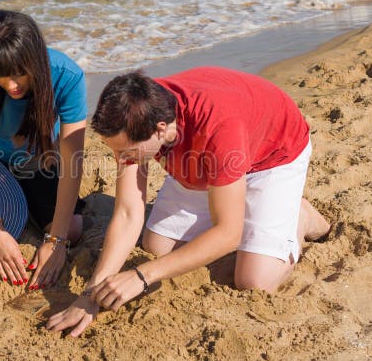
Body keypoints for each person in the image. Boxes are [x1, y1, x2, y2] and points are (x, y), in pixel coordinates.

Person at [47, 67, 330, 337]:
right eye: (116, 152)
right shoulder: (137, 114)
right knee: (157, 245)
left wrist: (142, 275)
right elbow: (127, 213)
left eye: (127, 153)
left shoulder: (218, 129)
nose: (121, 160)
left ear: (160, 129)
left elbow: (228, 234)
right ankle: (239, 203)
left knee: (254, 282)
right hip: (207, 163)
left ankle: (299, 216)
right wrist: (91, 294)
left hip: (271, 157)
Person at [0, 10, 86, 290]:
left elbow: (72, 166)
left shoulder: (66, 76)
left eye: (18, 74)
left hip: (34, 160)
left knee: (71, 229)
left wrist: (56, 242)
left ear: (34, 58)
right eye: (0, 76)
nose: (11, 85)